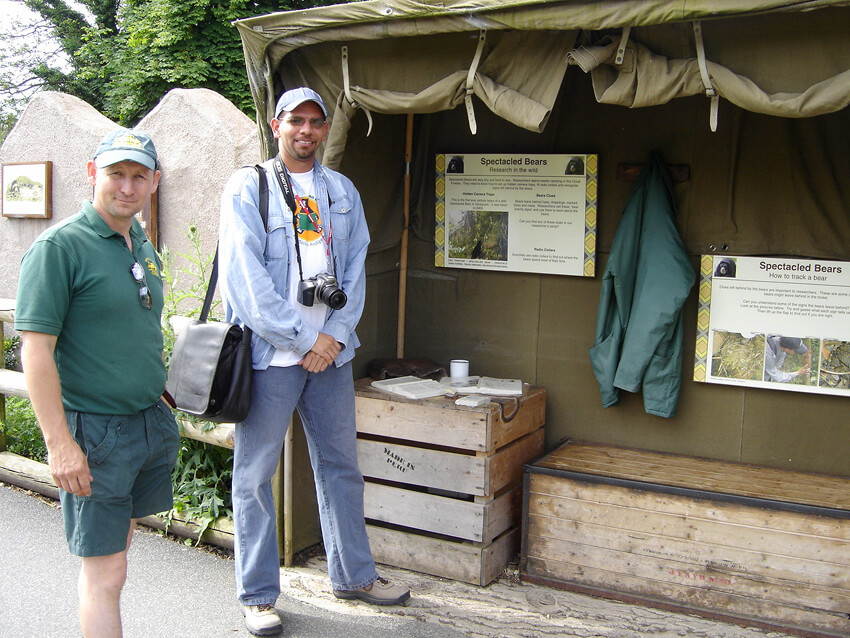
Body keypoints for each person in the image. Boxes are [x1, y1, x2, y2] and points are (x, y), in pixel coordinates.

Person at [219, 87, 410, 636]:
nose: (305, 130)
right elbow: (246, 281)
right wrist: (304, 340)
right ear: (275, 125)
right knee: (255, 475)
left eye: (315, 122)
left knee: (341, 467)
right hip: (270, 355)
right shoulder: (247, 188)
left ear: (326, 129)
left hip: (332, 355)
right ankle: (257, 596)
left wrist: (331, 338)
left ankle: (354, 576)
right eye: (295, 121)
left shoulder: (342, 191)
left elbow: (355, 272)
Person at [14, 129, 179, 638]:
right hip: (96, 433)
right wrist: (59, 445)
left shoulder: (140, 242)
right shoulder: (60, 247)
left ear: (153, 181)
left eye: (137, 176)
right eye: (115, 174)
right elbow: (35, 350)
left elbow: (137, 326)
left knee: (116, 562)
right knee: (103, 575)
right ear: (92, 173)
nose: (126, 187)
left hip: (146, 422)